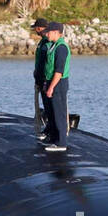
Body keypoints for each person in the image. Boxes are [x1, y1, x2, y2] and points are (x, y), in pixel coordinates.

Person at [42, 22, 71, 153]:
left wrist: (51, 87)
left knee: (59, 113)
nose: (46, 34)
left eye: (48, 32)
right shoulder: (52, 46)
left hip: (58, 84)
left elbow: (59, 71)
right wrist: (45, 84)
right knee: (51, 113)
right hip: (50, 82)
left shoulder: (61, 47)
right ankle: (54, 139)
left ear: (55, 32)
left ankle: (61, 142)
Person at [30, 17, 49, 138]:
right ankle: (48, 129)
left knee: (50, 106)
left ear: (40, 28)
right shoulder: (42, 42)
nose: (36, 31)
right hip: (40, 78)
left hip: (46, 79)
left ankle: (53, 131)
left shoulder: (48, 42)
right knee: (46, 106)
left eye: (36, 28)